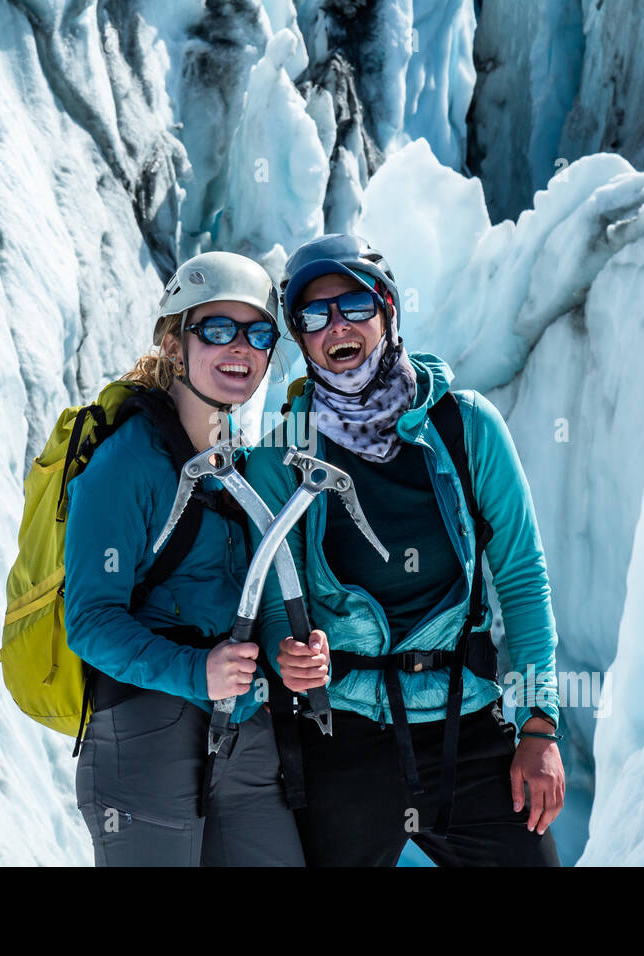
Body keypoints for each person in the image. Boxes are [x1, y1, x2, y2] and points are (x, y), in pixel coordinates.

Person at [242, 234, 565, 866]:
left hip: (465, 724)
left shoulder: (466, 427)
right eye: (314, 316)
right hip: (345, 733)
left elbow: (523, 579)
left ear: (388, 309)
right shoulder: (281, 459)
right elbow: (279, 599)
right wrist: (291, 659)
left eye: (355, 306)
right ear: (303, 341)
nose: (338, 326)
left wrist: (538, 726)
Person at [63, 251, 305, 866]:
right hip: (146, 732)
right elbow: (91, 619)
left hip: (243, 728)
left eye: (258, 334)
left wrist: (289, 655)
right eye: (217, 329)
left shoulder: (234, 462)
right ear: (175, 343)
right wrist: (197, 672)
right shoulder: (127, 465)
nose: (239, 348)